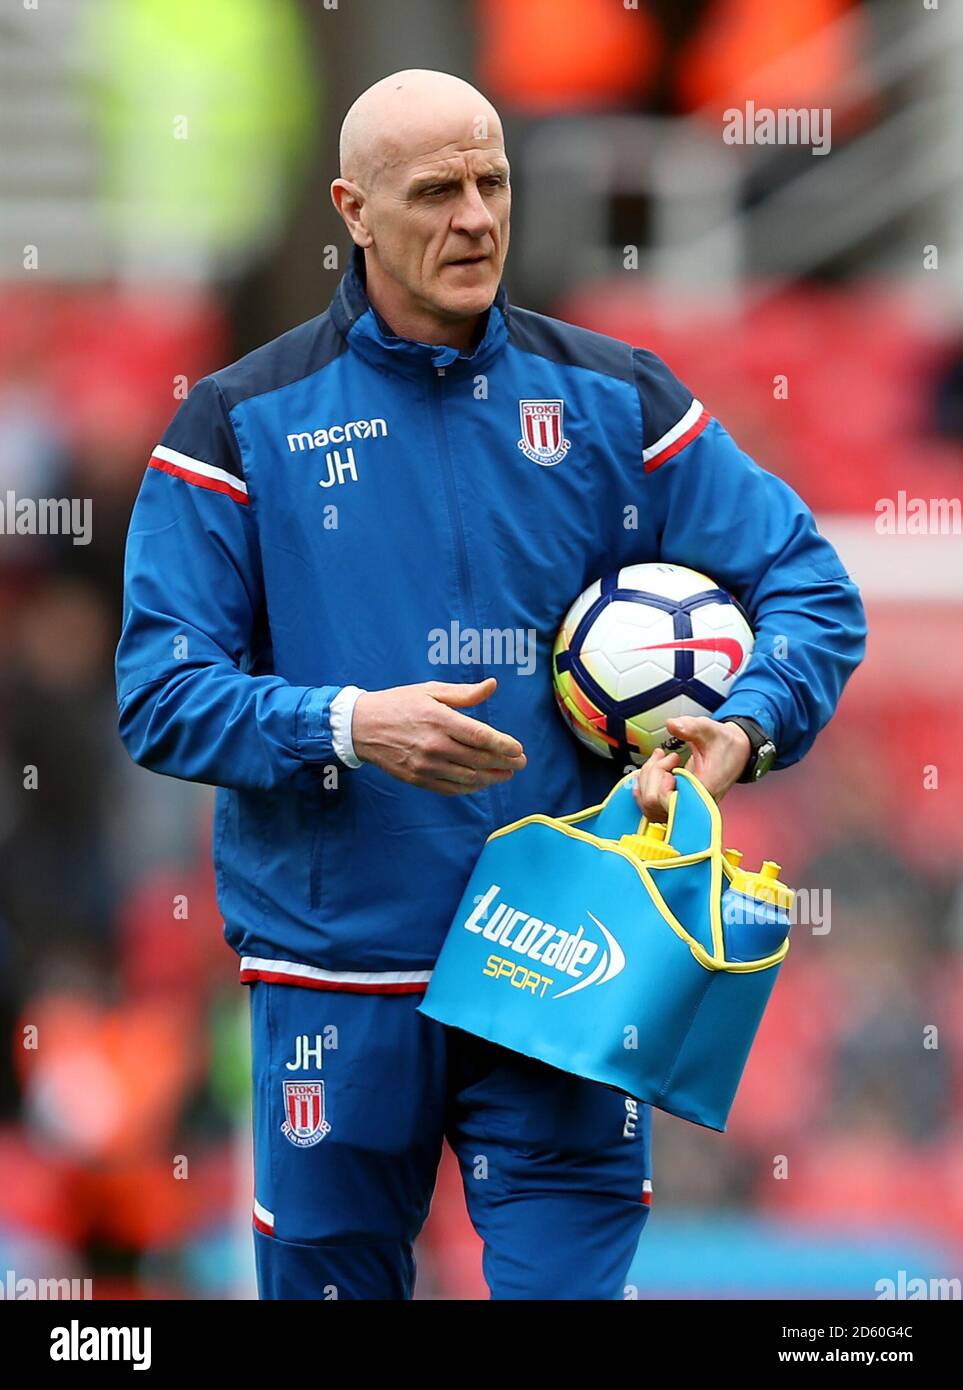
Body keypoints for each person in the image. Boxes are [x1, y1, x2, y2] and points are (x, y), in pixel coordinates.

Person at [115, 69, 866, 1300]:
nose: (475, 218)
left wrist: (738, 736)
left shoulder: (616, 398)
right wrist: (349, 725)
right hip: (338, 974)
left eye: (493, 183)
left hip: (565, 957)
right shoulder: (236, 423)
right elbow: (159, 685)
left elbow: (811, 587)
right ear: (354, 210)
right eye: (435, 192)